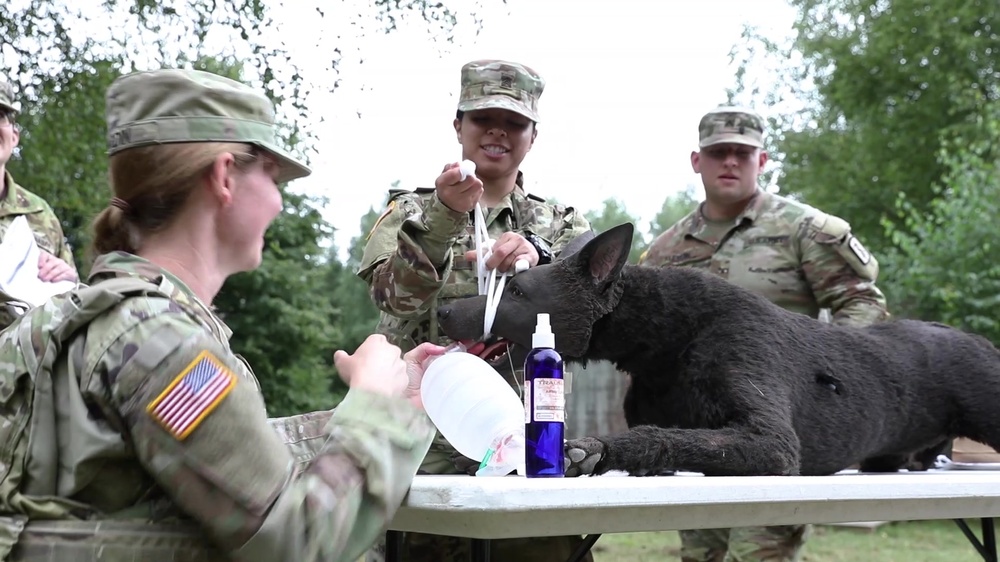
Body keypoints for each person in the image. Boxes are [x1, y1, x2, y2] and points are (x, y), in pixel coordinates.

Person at [0, 68, 443, 562]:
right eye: (272, 177)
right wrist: (373, 409)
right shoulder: (161, 341)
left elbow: (209, 463)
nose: (278, 201)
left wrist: (385, 406)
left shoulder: (81, 318)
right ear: (224, 176)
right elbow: (298, 540)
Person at [358, 59, 594, 562]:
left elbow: (602, 314)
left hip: (527, 447)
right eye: (483, 117)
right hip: (422, 449)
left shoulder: (562, 226)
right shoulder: (410, 214)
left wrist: (541, 260)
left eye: (513, 122)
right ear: (458, 125)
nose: (497, 131)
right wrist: (443, 219)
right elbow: (390, 299)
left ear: (533, 135)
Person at [639, 105, 890, 562]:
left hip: (778, 431)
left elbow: (862, 303)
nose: (730, 162)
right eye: (719, 152)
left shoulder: (805, 231)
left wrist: (831, 378)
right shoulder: (664, 250)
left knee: (759, 555)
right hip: (699, 435)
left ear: (763, 160)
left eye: (743, 152)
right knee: (700, 555)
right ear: (698, 161)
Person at [0, 76, 78, 328]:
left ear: (14, 136)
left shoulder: (40, 212)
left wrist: (68, 280)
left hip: (27, 363)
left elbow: (72, 306)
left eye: (0, 116)